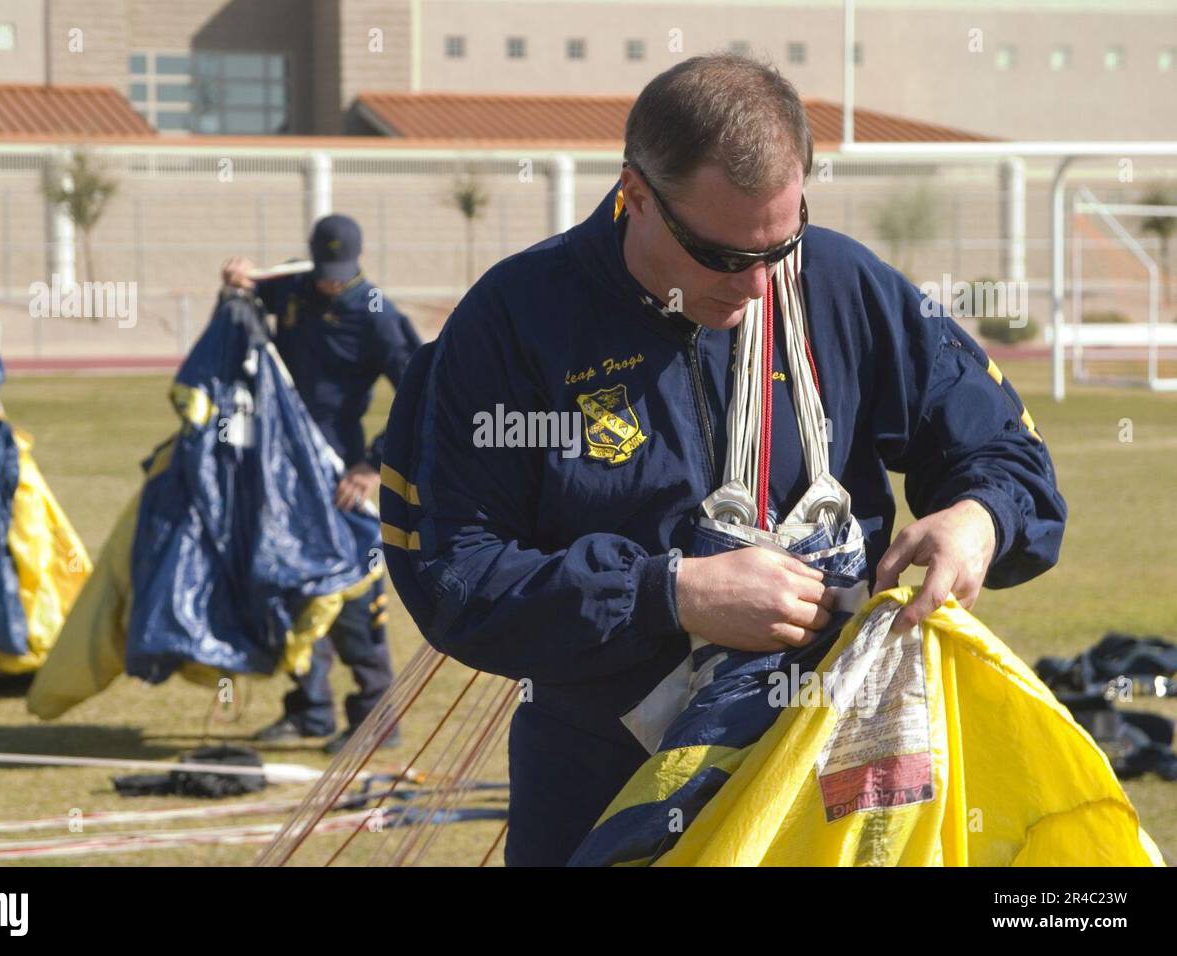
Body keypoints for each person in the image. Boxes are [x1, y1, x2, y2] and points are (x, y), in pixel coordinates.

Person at [379, 53, 1068, 865]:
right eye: (724, 256)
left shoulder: (840, 287)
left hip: (827, 788)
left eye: (783, 242)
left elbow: (1006, 453)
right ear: (635, 195)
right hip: (603, 789)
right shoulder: (513, 325)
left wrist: (977, 520)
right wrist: (670, 595)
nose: (757, 286)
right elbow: (455, 577)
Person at [222, 214, 421, 752]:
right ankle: (309, 709)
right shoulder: (291, 288)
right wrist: (236, 281)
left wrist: (372, 464)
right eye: (324, 271)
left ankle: (377, 716)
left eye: (340, 272)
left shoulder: (376, 314)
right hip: (282, 469)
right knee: (290, 580)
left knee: (352, 588)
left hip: (339, 471)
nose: (331, 282)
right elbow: (246, 295)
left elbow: (420, 389)